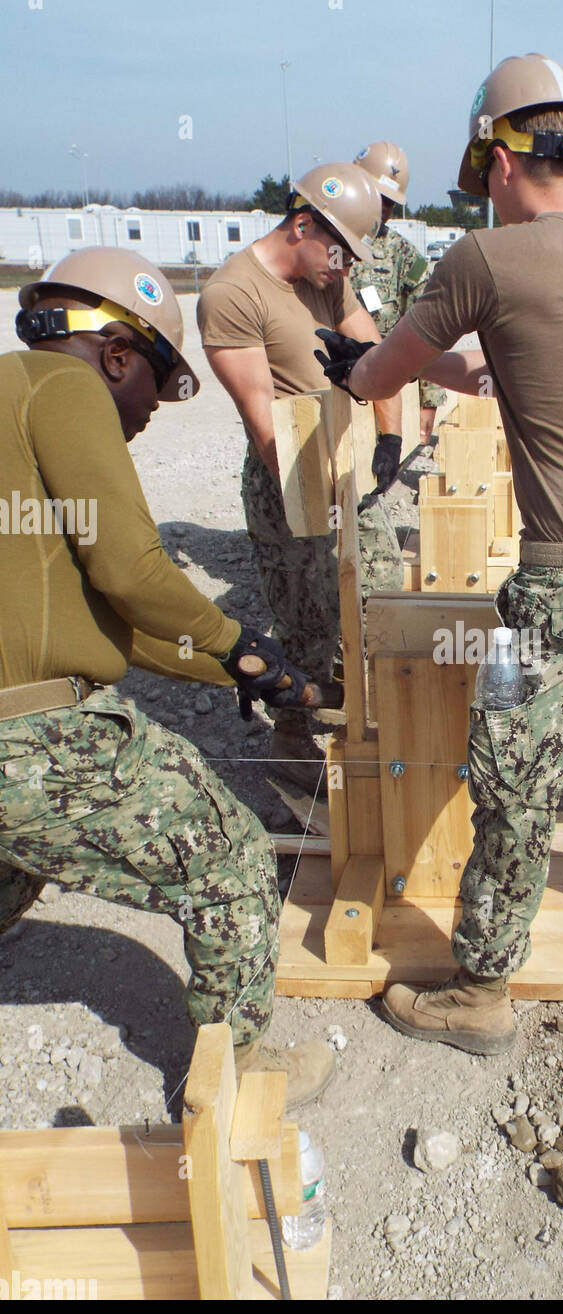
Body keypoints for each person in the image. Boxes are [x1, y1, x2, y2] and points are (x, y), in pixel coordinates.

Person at [316, 54, 563, 1057]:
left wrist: (350, 365)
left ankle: (481, 990)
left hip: (562, 585)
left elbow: (379, 378)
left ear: (499, 159)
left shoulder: (484, 261)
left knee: (507, 771)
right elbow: (520, 364)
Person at [0, 247, 333, 1107]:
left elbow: (92, 618)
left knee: (22, 852)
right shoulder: (64, 389)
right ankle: (238, 1078)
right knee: (229, 859)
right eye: (156, 380)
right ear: (115, 353)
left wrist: (237, 673)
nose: (152, 410)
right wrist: (239, 644)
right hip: (25, 739)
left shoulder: (8, 400)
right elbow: (132, 572)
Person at [197, 162, 405, 793]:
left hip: (343, 465)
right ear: (303, 223)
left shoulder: (329, 277)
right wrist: (313, 503)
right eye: (339, 251)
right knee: (310, 618)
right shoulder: (234, 294)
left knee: (383, 590)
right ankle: (292, 739)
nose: (344, 269)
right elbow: (265, 428)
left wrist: (391, 433)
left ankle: (365, 720)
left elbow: (378, 354)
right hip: (288, 481)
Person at [350, 141, 447, 446]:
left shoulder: (403, 255)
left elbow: (428, 329)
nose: (383, 208)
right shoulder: (318, 241)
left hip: (382, 398)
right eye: (377, 196)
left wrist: (428, 401)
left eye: (390, 202)